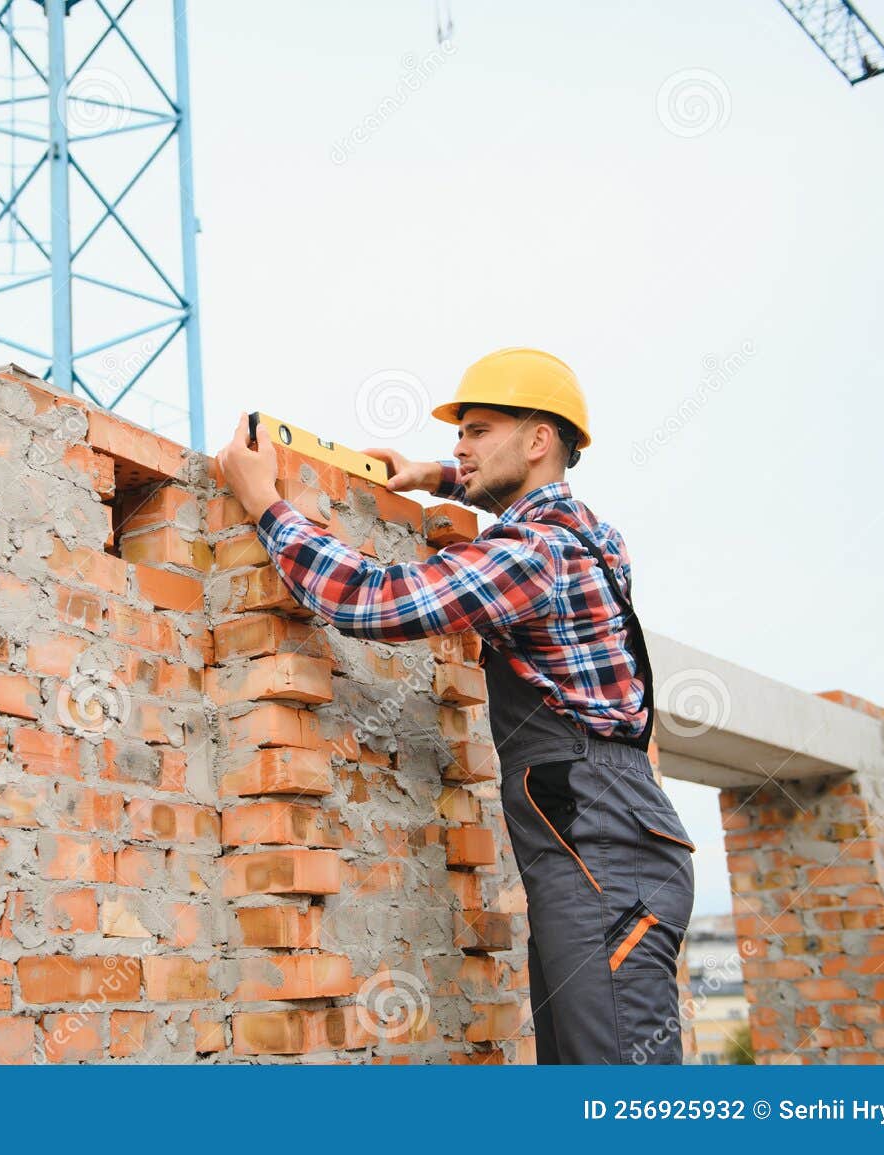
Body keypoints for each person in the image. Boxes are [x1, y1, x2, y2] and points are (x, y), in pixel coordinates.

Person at [215, 347, 696, 1064]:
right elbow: (530, 499)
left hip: (602, 851)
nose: (459, 446)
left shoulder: (534, 555)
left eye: (476, 431)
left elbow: (376, 599)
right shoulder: (592, 537)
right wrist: (436, 478)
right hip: (607, 840)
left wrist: (268, 507)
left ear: (537, 440)